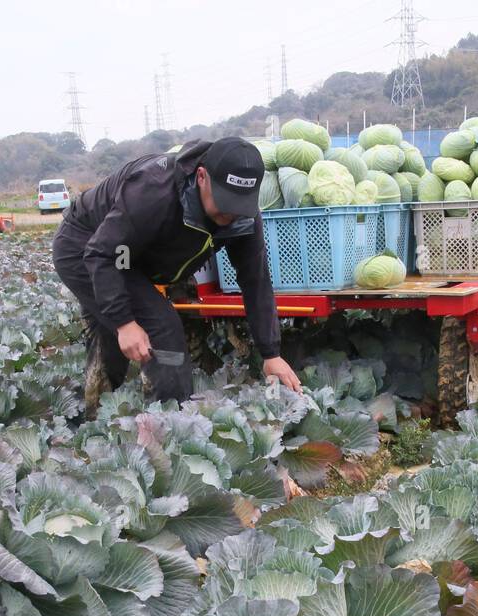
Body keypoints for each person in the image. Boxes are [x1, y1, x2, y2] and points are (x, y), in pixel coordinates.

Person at [52, 136, 302, 414]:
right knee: (161, 327)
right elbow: (107, 254)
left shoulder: (242, 215)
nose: (231, 214)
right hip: (88, 246)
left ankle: (99, 416)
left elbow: (255, 281)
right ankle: (173, 426)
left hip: (131, 254)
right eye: (224, 203)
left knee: (113, 329)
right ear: (202, 176)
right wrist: (124, 322)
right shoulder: (153, 191)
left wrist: (271, 353)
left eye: (239, 206)